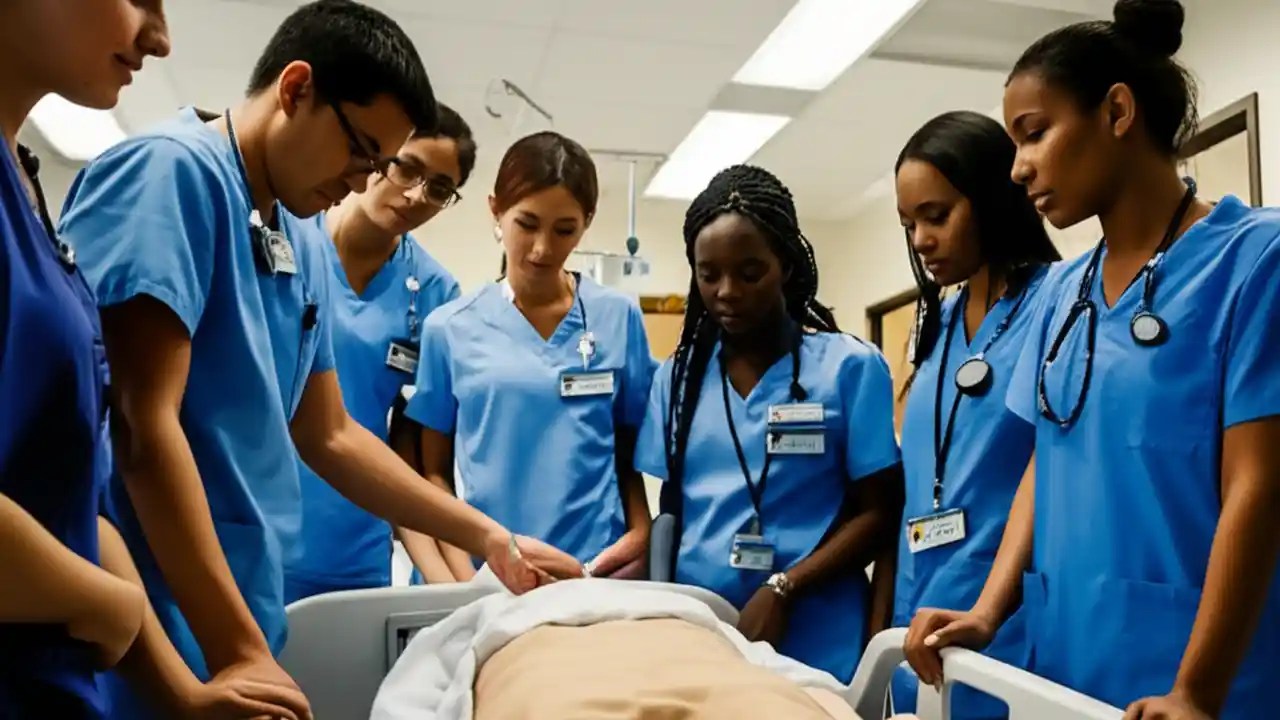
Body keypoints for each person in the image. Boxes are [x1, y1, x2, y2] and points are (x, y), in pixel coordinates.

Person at [56, 2, 581, 717]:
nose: (364, 183)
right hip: (151, 621)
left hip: (239, 603)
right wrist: (237, 649)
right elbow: (144, 429)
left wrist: (489, 537)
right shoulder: (171, 178)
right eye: (364, 152)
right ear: (297, 89)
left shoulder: (295, 235)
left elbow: (329, 433)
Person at [905, 2, 1280, 719]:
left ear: (1116, 112)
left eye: (1035, 134)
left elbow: (1257, 486)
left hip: (1199, 676)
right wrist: (988, 611)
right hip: (1065, 664)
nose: (1017, 169)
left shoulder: (1256, 259)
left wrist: (1196, 689)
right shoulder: (1063, 292)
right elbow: (1046, 459)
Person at [0, 2, 303, 718]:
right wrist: (103, 602)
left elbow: (66, 496)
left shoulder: (23, 186)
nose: (160, 39)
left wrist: (185, 695)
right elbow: (138, 430)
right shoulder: (168, 172)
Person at [635, 164, 904, 683]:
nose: (727, 291)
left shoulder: (849, 368)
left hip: (818, 631)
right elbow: (673, 507)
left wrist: (786, 587)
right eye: (708, 274)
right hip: (704, 633)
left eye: (749, 271)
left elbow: (880, 512)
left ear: (785, 261)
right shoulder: (678, 380)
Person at [406, 131, 657, 581]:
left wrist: (640, 532)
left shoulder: (618, 317)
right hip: (489, 573)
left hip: (595, 570)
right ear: (496, 211)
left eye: (565, 230)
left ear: (587, 222)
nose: (543, 248)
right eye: (526, 224)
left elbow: (627, 451)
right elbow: (434, 473)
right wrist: (466, 581)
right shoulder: (450, 328)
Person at [890, 111, 1060, 719]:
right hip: (919, 630)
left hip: (1009, 633)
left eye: (937, 216)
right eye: (909, 223)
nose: (920, 240)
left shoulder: (1057, 301)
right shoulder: (935, 329)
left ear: (992, 196)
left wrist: (988, 607)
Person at [283, 103, 475, 602]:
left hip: (356, 547)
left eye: (438, 188)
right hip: (256, 527)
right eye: (406, 167)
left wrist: (449, 582)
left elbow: (410, 453)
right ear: (377, 156)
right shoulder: (286, 242)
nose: (415, 194)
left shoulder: (435, 292)